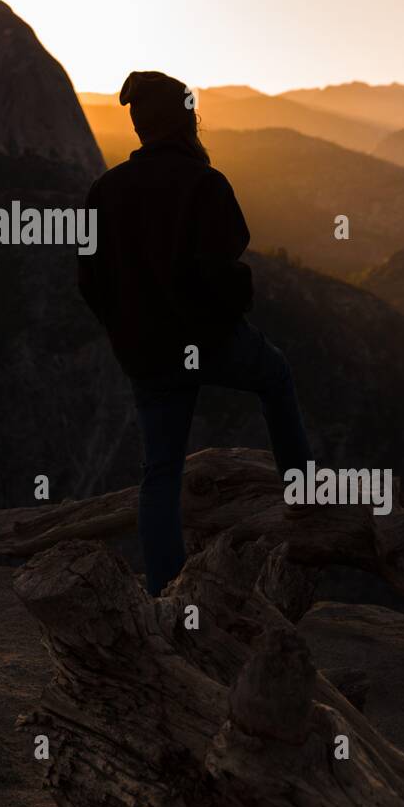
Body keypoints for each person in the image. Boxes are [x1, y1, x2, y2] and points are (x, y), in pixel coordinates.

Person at [77, 70, 311, 597]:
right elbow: (226, 267)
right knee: (275, 379)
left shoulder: (104, 190)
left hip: (148, 355)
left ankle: (165, 594)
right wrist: (229, 311)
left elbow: (89, 281)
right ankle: (305, 494)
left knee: (161, 473)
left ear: (139, 126)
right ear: (185, 123)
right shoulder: (206, 184)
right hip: (212, 342)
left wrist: (127, 331)